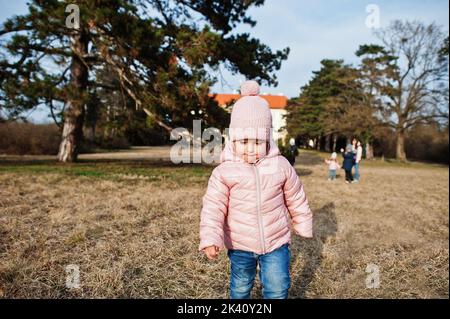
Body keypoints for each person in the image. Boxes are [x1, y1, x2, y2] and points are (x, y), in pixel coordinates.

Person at [199, 80, 313, 299]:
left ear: (268, 140)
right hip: (240, 244)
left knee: (278, 286)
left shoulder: (280, 165)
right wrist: (210, 237)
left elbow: (296, 197)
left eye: (257, 142)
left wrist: (302, 222)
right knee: (241, 288)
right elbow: (213, 208)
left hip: (276, 241)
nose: (250, 149)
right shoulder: (224, 172)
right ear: (232, 141)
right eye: (244, 142)